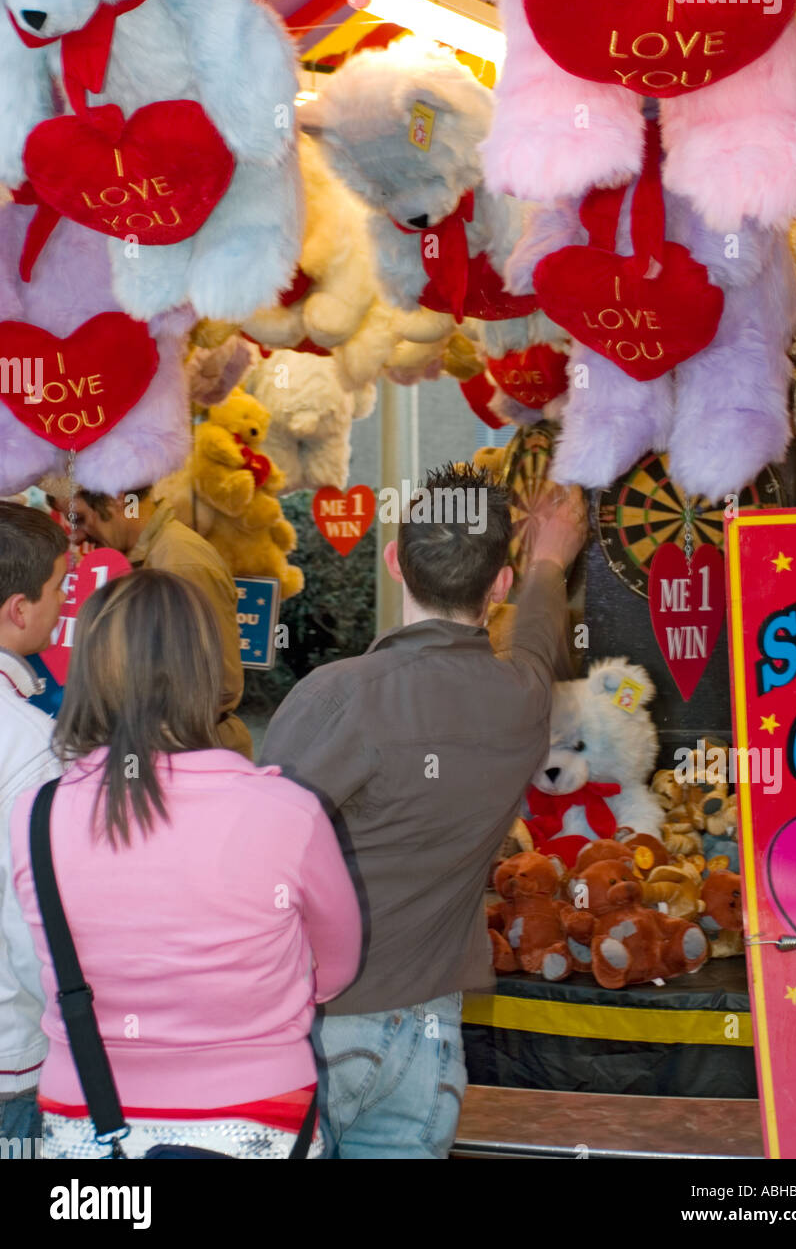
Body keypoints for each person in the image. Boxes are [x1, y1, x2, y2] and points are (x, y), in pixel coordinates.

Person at [262, 463, 587, 1159]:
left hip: (316, 1027)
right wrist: (551, 558)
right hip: (434, 1039)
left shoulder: (337, 696)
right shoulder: (522, 701)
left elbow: (255, 867)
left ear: (393, 562)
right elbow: (534, 640)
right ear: (497, 585)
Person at [10, 569, 362, 1159]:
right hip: (256, 1117)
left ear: (90, 668)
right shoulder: (287, 812)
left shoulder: (37, 813)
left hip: (87, 1122)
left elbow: (43, 955)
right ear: (205, 670)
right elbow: (337, 968)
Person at [70, 486, 253, 758]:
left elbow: (215, 685)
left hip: (191, 754)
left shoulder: (179, 563)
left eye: (82, 518)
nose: (77, 536)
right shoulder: (142, 557)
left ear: (116, 499)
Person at [0, 501, 68, 1157]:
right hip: (10, 1054)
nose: (63, 607)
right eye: (58, 590)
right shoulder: (29, 743)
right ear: (20, 609)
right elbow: (33, 925)